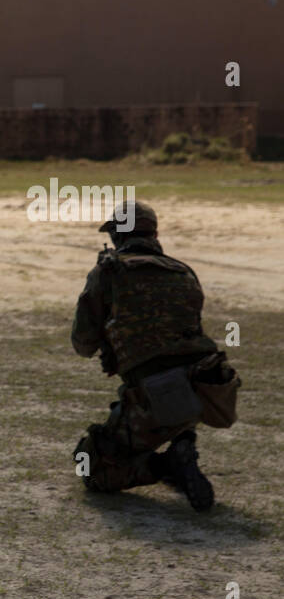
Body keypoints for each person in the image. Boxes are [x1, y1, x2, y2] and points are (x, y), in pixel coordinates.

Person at [70, 201, 240, 510]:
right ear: (154, 233)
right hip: (204, 391)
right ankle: (184, 441)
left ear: (119, 236)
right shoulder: (182, 271)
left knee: (91, 470)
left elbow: (83, 344)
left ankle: (168, 465)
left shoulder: (107, 273)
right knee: (172, 376)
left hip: (154, 398)